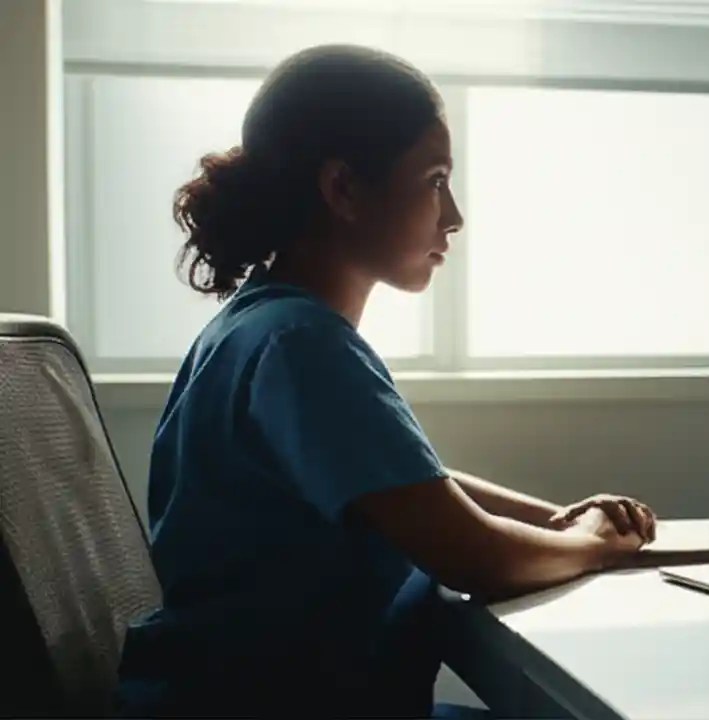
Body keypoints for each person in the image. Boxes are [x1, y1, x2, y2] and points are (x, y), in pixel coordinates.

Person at [114, 44, 671, 717]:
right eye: (435, 180)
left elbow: (399, 483)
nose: (453, 215)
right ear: (343, 189)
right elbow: (475, 558)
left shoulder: (261, 324)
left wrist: (553, 519)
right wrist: (593, 546)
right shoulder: (303, 344)